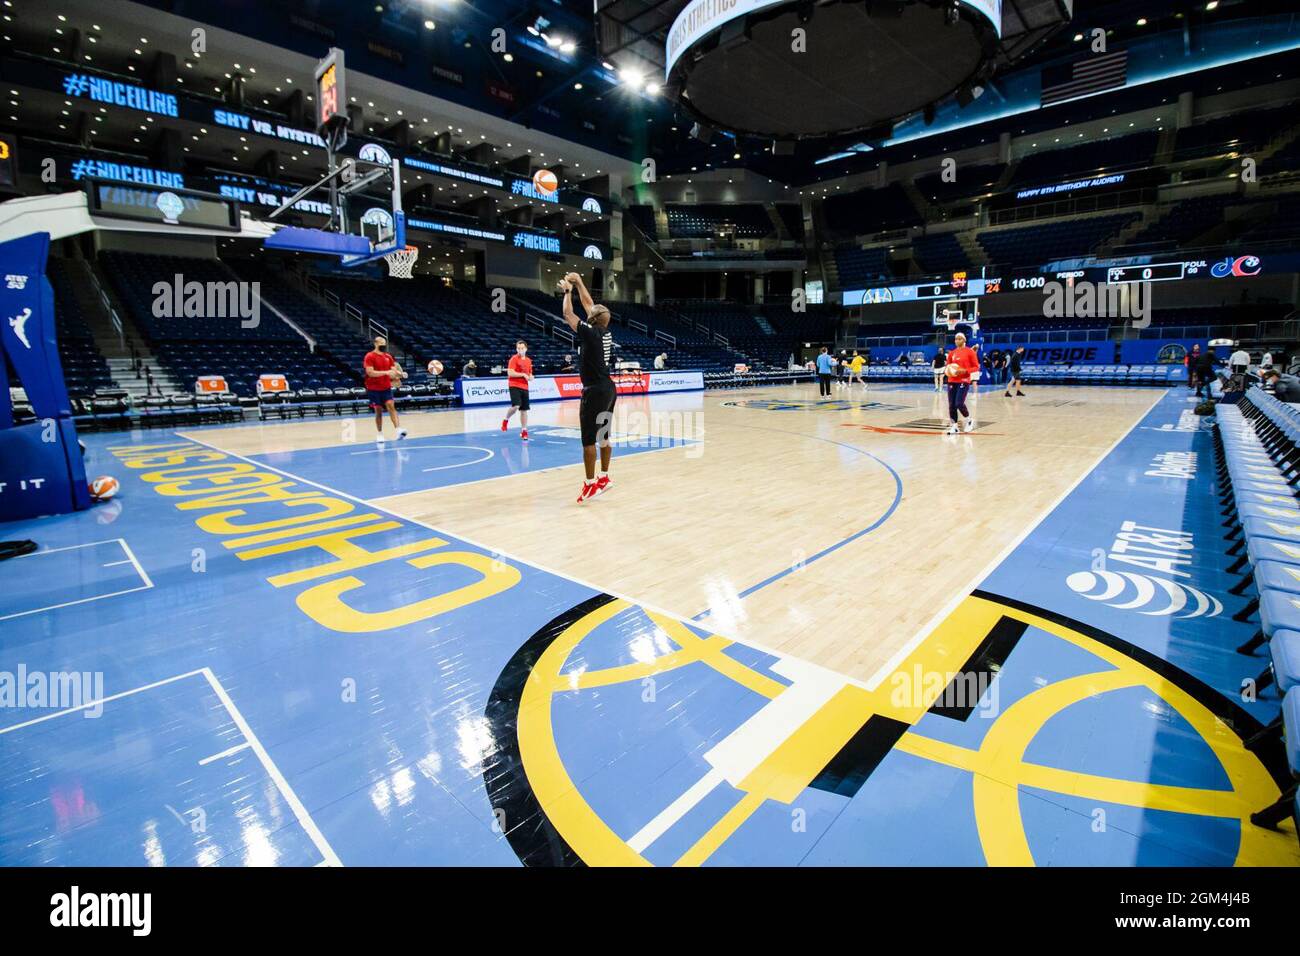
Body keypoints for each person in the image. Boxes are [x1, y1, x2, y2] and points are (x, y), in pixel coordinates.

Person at [560, 271, 616, 503]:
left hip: (594, 391)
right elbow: (590, 305)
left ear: (593, 318)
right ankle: (604, 477)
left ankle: (590, 484)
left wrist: (567, 291)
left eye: (593, 310)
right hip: (609, 389)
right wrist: (581, 282)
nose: (592, 307)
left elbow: (567, 313)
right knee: (604, 437)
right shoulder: (604, 331)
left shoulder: (590, 333)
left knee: (588, 441)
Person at [363, 335, 407, 445]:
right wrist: (386, 373)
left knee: (391, 406)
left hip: (386, 387)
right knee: (378, 411)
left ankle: (398, 430)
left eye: (384, 344)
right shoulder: (369, 356)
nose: (383, 346)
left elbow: (393, 370)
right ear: (375, 344)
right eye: (381, 344)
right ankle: (380, 434)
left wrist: (401, 374)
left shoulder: (388, 356)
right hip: (373, 388)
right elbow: (370, 373)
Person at [945, 331, 980, 434]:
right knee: (951, 405)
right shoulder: (952, 353)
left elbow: (976, 367)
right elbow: (948, 367)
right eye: (956, 339)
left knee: (959, 403)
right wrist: (949, 371)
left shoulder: (970, 352)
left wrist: (965, 371)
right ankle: (954, 426)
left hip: (963, 380)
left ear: (964, 340)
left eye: (959, 338)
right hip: (952, 380)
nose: (957, 341)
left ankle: (969, 420)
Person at [502, 339, 532, 441]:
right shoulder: (513, 359)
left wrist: (531, 377)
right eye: (518, 348)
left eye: (522, 348)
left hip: (525, 387)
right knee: (516, 406)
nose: (520, 350)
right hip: (514, 385)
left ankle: (524, 431)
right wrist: (523, 374)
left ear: (526, 349)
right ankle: (506, 420)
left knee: (524, 411)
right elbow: (510, 373)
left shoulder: (528, 360)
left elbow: (530, 373)